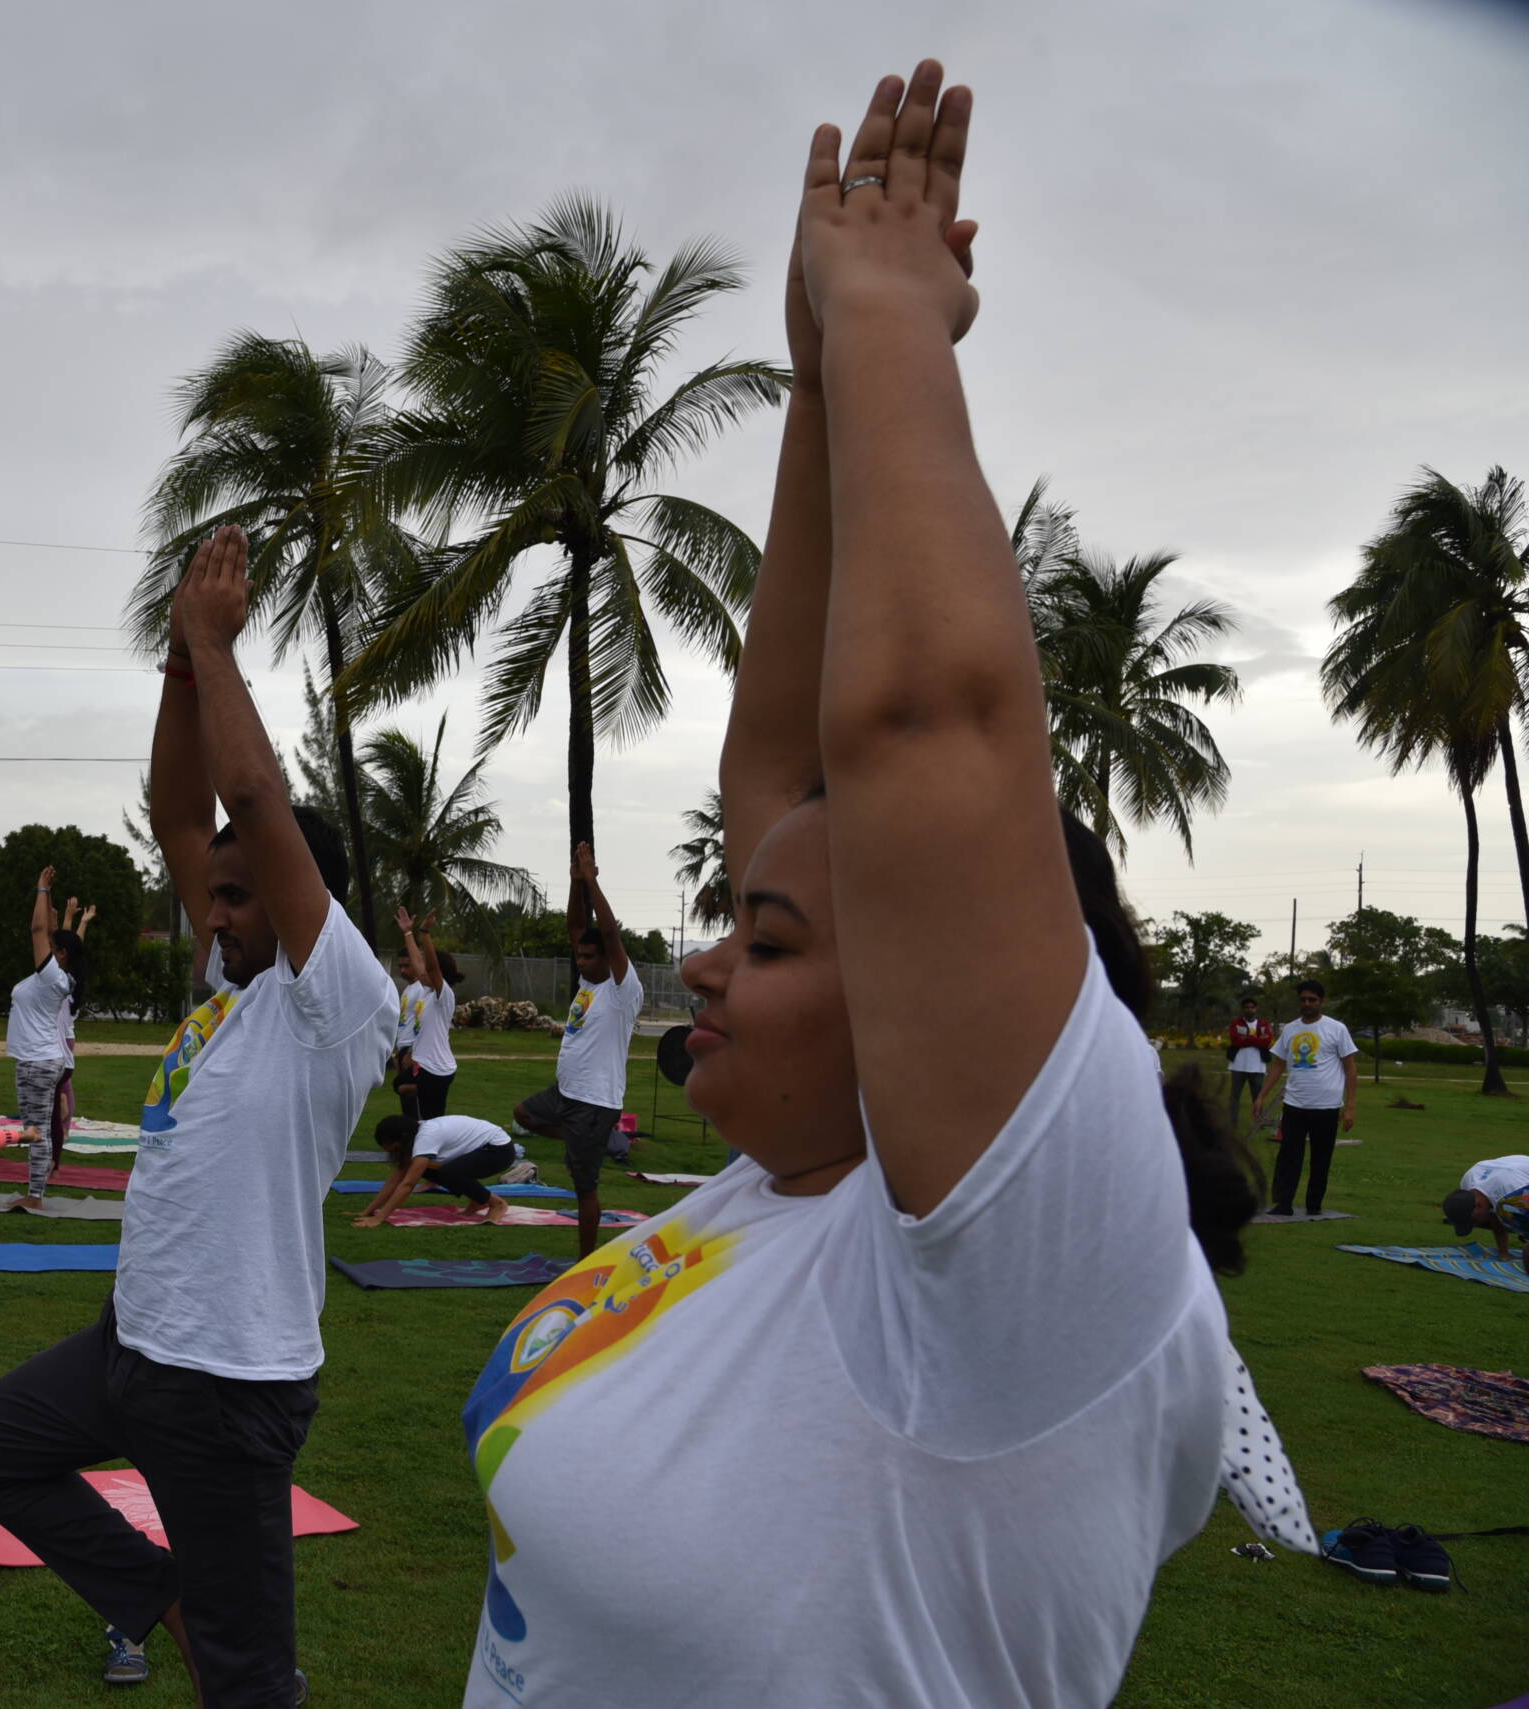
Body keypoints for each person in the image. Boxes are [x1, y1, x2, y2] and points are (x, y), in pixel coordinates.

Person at [458, 67, 1258, 1707]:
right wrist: (818, 383)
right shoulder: (794, 1191)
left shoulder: (1015, 1283)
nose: (705, 962)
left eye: (760, 939)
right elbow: (803, 783)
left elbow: (923, 735)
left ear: (944, 1006)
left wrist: (893, 316)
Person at [0, 525, 397, 1706]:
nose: (216, 910)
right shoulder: (230, 990)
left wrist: (214, 640)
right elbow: (180, 806)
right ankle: (157, 1596)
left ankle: (205, 1629)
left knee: (245, 1683)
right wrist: (178, 670)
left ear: (305, 900)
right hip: (131, 1342)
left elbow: (245, 794)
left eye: (242, 895)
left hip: (228, 1382)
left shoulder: (333, 999)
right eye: (214, 896)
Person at [511, 844, 644, 1256]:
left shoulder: (623, 989)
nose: (581, 961)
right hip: (565, 1095)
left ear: (608, 957)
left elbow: (608, 932)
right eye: (579, 956)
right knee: (523, 1114)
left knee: (583, 1188)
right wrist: (573, 883)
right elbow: (576, 927)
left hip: (593, 1101)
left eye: (588, 956)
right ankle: (584, 1141)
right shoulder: (589, 982)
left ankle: (584, 1263)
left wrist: (592, 880)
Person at [3, 867, 90, 1213]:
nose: (45, 947)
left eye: (53, 947)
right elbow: (48, 929)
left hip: (38, 1063)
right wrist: (49, 896)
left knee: (35, 1130)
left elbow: (38, 929)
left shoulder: (52, 977)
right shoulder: (56, 977)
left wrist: (40, 889)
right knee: (40, 1127)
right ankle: (36, 1188)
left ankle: (35, 1195)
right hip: (43, 1060)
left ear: (62, 955)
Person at [1252, 979, 1358, 1216]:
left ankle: (1314, 1205)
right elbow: (1278, 1065)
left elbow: (1350, 1069)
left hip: (1327, 1106)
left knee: (1321, 1158)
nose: (1307, 1004)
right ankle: (1283, 1203)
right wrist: (1261, 1096)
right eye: (1303, 1000)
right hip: (1295, 1104)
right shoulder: (1290, 1030)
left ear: (1322, 1002)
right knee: (1289, 1156)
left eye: (1312, 1000)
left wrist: (1350, 1107)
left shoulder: (1336, 1029)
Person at [351, 1113, 513, 1226]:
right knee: (429, 1170)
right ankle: (478, 1201)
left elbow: (408, 1184)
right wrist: (367, 1212)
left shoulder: (426, 1138)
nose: (392, 1153)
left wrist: (380, 1218)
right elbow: (396, 1179)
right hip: (482, 1148)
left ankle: (496, 1203)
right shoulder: (416, 1135)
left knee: (448, 1172)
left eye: (393, 1149)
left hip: (498, 1150)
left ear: (402, 1139)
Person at [394, 907, 463, 1119]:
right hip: (424, 1066)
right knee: (401, 1085)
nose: (420, 969)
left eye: (426, 967)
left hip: (437, 1069)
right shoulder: (424, 992)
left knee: (431, 1122)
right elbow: (418, 962)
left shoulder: (443, 996)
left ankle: (433, 1146)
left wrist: (424, 934)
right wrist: (407, 932)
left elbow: (432, 969)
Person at [1441, 1153, 1529, 1264]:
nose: (1475, 1225)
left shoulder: (1511, 1192)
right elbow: (1494, 1216)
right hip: (1512, 1172)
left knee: (1513, 1215)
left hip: (1518, 1179)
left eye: (1474, 1221)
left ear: (1478, 1206)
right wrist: (1503, 1254)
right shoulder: (1468, 1182)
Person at [1225, 994, 1275, 1128]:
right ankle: (1232, 1123)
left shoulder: (1264, 1024)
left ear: (1256, 1009)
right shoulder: (1236, 1023)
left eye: (1252, 1007)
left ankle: (1259, 1123)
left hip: (1257, 1066)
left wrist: (1247, 1038)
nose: (1249, 1010)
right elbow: (1235, 1040)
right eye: (1246, 1007)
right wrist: (1257, 1039)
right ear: (1243, 1009)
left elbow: (1267, 1041)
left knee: (1257, 1096)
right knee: (1234, 1097)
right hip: (1238, 1066)